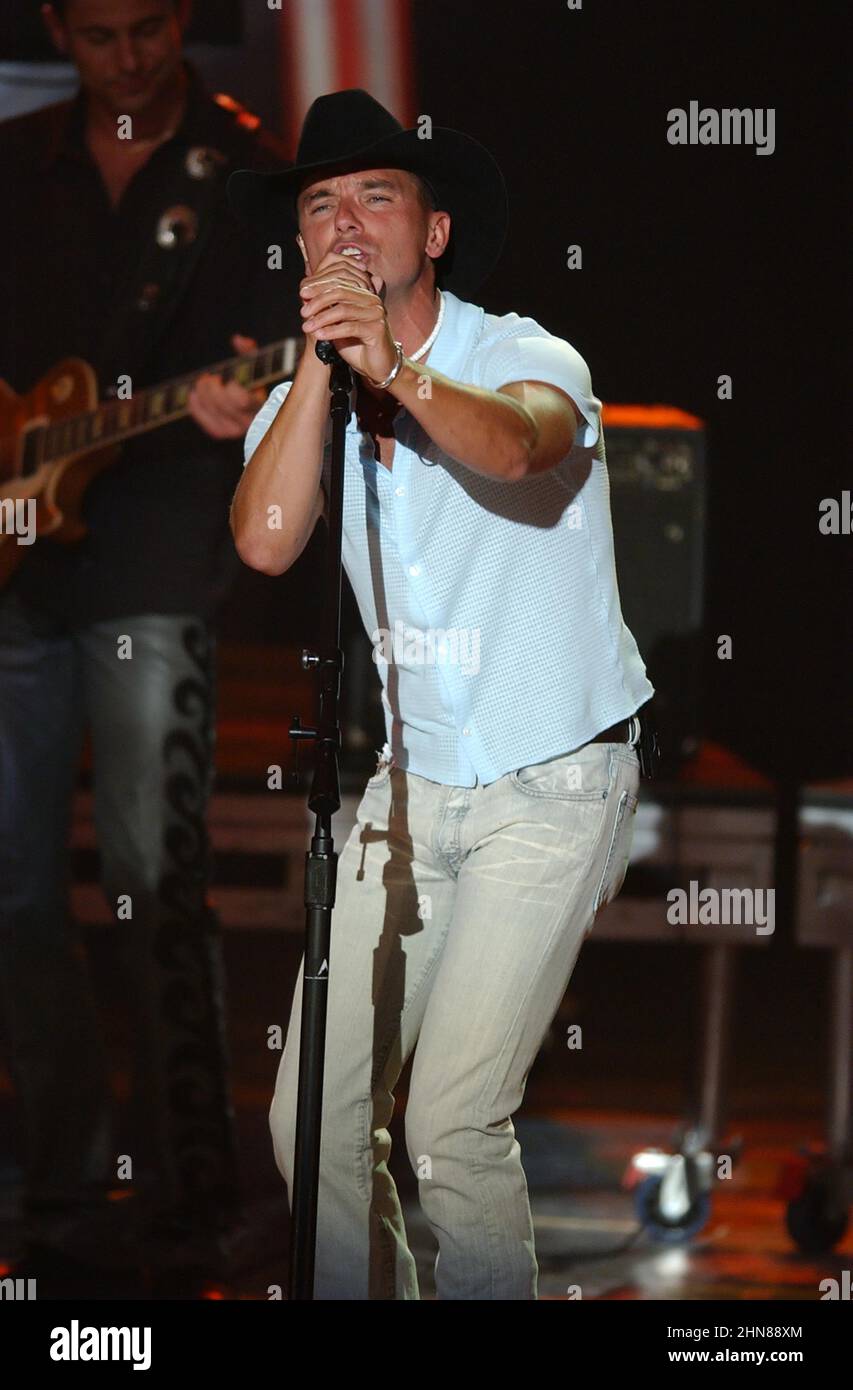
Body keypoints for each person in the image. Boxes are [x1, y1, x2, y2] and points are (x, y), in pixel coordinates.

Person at [230, 88, 655, 1300]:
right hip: (409, 791)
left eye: (376, 197)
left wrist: (395, 370)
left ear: (435, 233)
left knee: (453, 1130)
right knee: (310, 1125)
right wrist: (323, 372)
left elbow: (519, 448)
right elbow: (264, 541)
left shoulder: (523, 354)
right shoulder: (298, 396)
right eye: (320, 206)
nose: (346, 224)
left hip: (554, 776)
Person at [0, 0, 301, 1286]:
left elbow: (296, 366)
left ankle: (193, 1198)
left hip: (163, 543)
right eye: (100, 32)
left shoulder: (246, 176)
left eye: (150, 26)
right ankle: (63, 1181)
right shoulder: (16, 165)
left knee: (152, 881)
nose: (130, 56)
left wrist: (257, 393)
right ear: (57, 26)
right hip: (20, 552)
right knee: (11, 892)